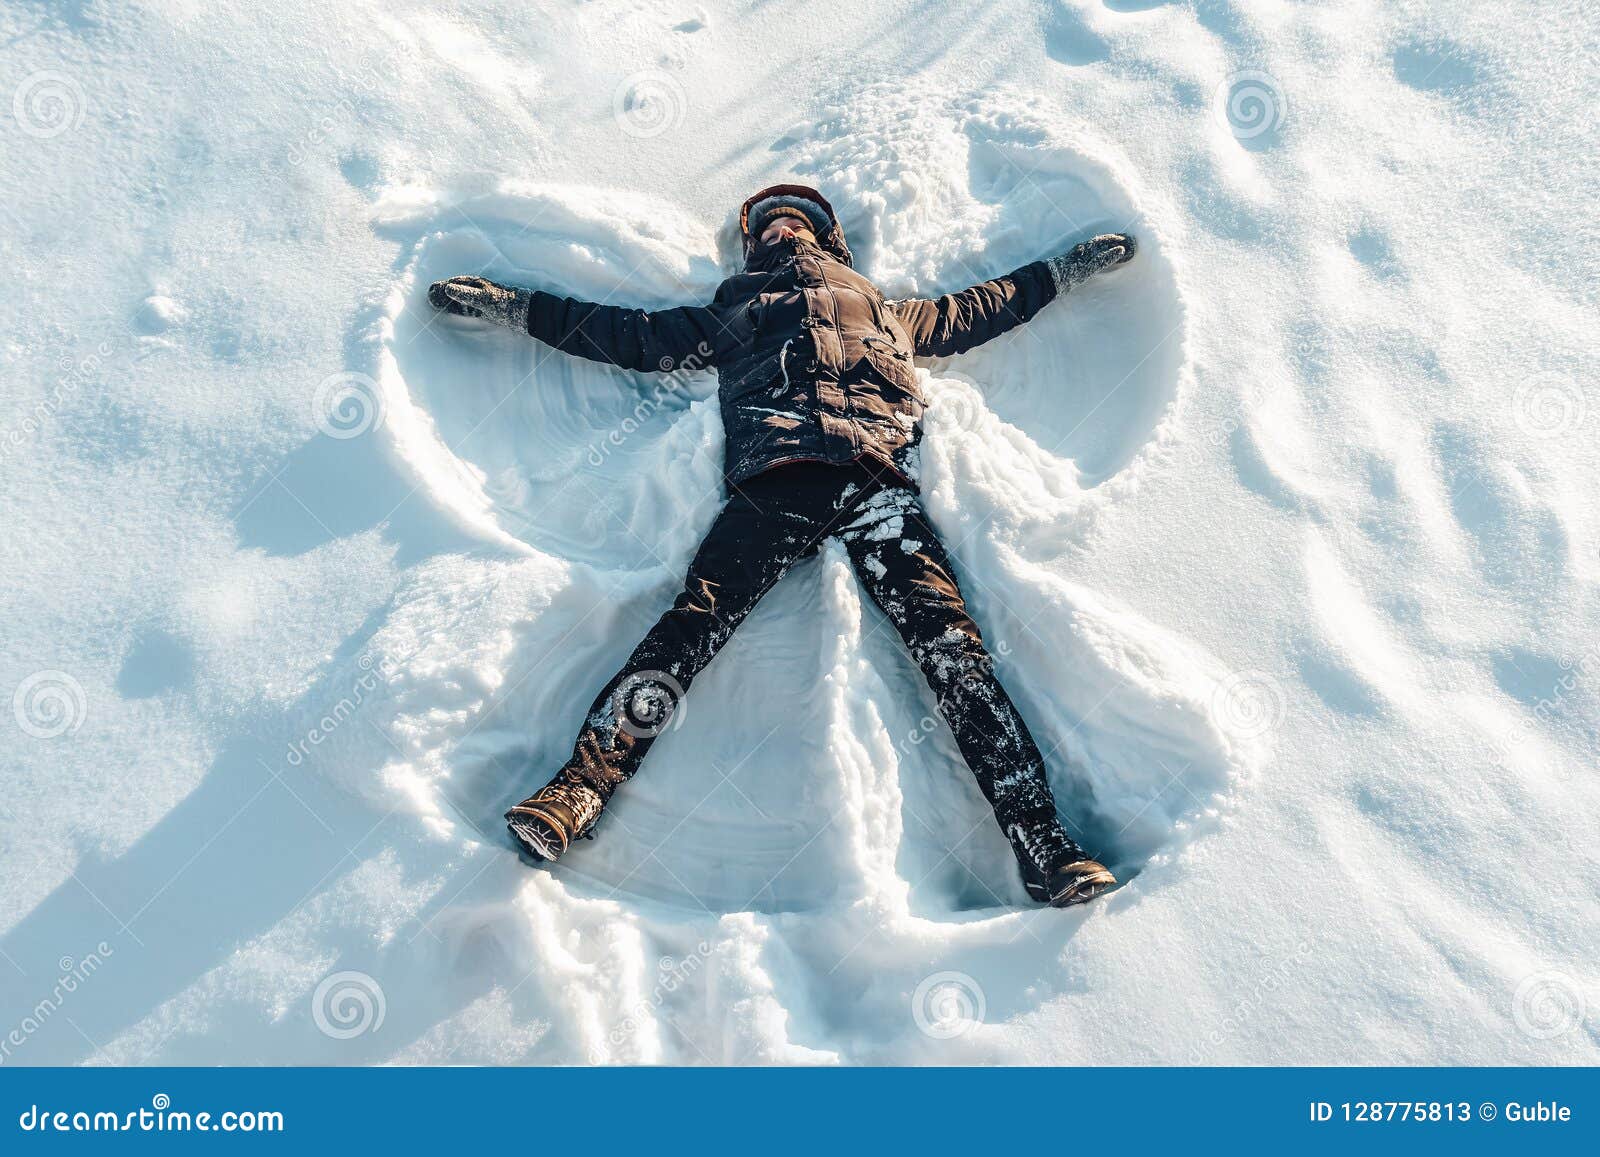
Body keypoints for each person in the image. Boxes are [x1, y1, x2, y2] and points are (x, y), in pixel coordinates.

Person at [429, 184, 1135, 906]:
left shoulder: (887, 309)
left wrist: (1065, 269)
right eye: (765, 228)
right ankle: (575, 790)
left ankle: (1045, 844)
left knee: (953, 651)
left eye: (794, 221)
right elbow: (620, 332)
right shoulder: (735, 312)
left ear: (829, 239)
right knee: (687, 630)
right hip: (775, 484)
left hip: (878, 483)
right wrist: (513, 307)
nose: (780, 232)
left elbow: (985, 306)